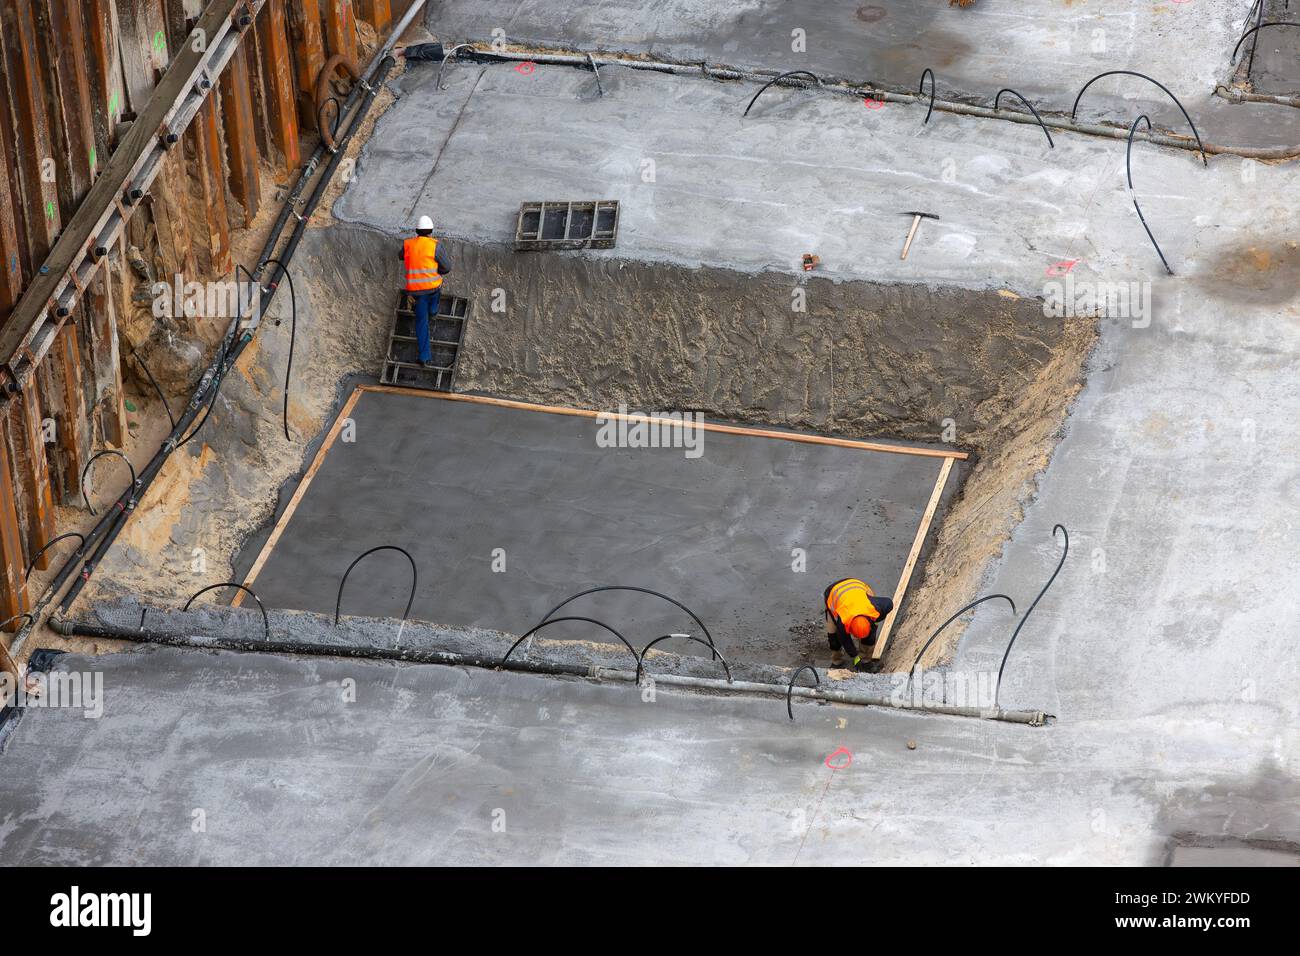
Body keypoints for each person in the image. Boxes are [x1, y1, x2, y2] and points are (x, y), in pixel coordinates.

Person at [401, 215, 451, 368]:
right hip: (433, 289)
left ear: (417, 231)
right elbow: (447, 267)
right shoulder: (435, 246)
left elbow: (400, 255)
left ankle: (424, 356)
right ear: (431, 231)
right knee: (434, 299)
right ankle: (434, 310)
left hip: (416, 292)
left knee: (421, 323)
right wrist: (437, 271)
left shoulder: (408, 244)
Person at [824, 577, 894, 671]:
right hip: (833, 592)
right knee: (833, 638)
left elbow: (889, 603)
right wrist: (855, 657)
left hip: (858, 586)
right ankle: (836, 661)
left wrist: (877, 619)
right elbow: (845, 641)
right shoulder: (843, 621)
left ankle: (866, 660)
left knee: (870, 638)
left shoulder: (876, 607)